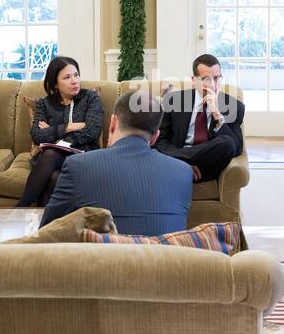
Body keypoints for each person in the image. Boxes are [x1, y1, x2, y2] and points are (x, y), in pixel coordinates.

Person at [42, 90, 193, 236]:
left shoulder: (77, 166)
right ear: (155, 137)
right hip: (165, 260)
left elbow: (48, 232)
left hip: (104, 260)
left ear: (113, 122)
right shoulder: (184, 172)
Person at [16, 56, 103, 208]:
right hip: (53, 159)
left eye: (76, 75)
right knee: (53, 174)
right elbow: (37, 135)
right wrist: (68, 127)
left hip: (84, 154)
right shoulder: (45, 104)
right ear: (55, 84)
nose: (75, 81)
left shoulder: (91, 98)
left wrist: (53, 132)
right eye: (67, 77)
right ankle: (44, 224)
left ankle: (21, 208)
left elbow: (93, 130)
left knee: (51, 155)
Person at [155, 54, 246, 183]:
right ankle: (182, 165)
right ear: (194, 80)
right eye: (206, 79)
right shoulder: (173, 100)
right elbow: (160, 140)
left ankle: (180, 163)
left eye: (216, 78)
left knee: (227, 142)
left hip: (206, 166)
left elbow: (236, 147)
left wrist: (216, 114)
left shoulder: (234, 106)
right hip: (175, 164)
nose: (213, 85)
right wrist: (182, 163)